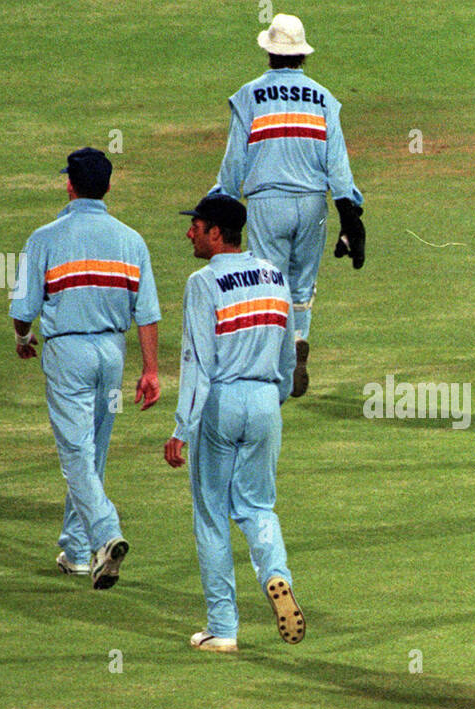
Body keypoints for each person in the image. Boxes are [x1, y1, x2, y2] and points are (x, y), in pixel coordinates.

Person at [9, 147, 161, 589]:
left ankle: (105, 532)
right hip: (112, 355)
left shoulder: (45, 237)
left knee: (76, 453)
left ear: (69, 185)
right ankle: (77, 551)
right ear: (109, 187)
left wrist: (22, 338)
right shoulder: (131, 240)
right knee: (94, 449)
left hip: (68, 354)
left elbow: (24, 308)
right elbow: (147, 312)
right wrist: (151, 370)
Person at [164, 195, 304, 653]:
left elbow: (196, 363)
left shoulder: (203, 283)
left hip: (221, 402)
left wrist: (181, 428)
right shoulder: (275, 277)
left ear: (217, 233)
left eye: (197, 226)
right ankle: (276, 576)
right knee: (259, 507)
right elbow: (288, 354)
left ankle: (223, 628)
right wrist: (274, 397)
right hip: (266, 399)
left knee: (211, 516)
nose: (190, 233)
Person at [209, 12, 365, 398]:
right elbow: (338, 166)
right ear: (302, 55)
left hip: (267, 202)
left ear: (269, 53)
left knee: (269, 280)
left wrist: (221, 200)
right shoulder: (324, 99)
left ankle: (274, 364)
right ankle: (298, 342)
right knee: (302, 283)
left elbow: (234, 162)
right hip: (313, 204)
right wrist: (350, 214)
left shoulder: (248, 95)